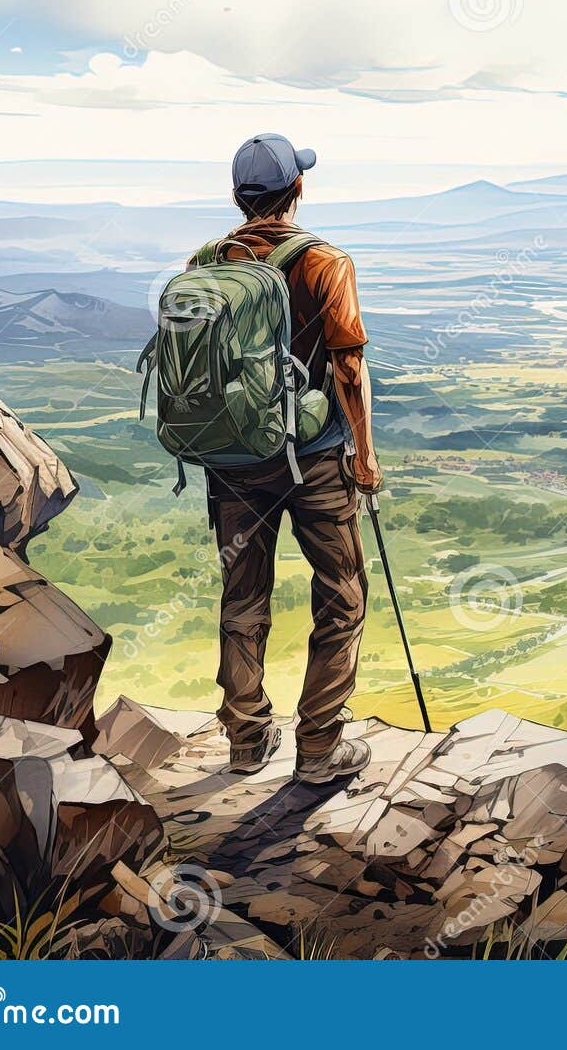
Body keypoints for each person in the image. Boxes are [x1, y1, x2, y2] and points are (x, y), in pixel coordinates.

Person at [202, 133, 384, 784]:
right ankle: (319, 748)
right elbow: (348, 367)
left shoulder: (207, 264)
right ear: (297, 188)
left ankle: (247, 738)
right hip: (314, 458)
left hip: (233, 458)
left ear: (237, 196)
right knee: (341, 596)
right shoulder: (324, 263)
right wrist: (365, 455)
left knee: (243, 593)